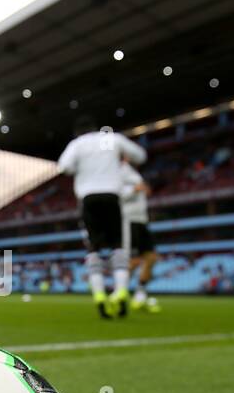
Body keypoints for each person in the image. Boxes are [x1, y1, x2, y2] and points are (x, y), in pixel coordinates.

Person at [57, 115, 147, 317]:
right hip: (111, 197)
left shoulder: (77, 144)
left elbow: (64, 167)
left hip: (88, 199)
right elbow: (140, 155)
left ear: (78, 132)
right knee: (118, 246)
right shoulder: (111, 139)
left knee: (94, 249)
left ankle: (99, 297)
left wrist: (82, 167)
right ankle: (122, 290)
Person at [119, 161, 160, 313]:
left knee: (151, 257)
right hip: (129, 221)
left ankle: (140, 294)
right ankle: (119, 292)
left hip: (142, 221)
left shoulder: (134, 173)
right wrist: (134, 189)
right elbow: (116, 195)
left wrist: (143, 189)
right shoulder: (115, 171)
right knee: (134, 261)